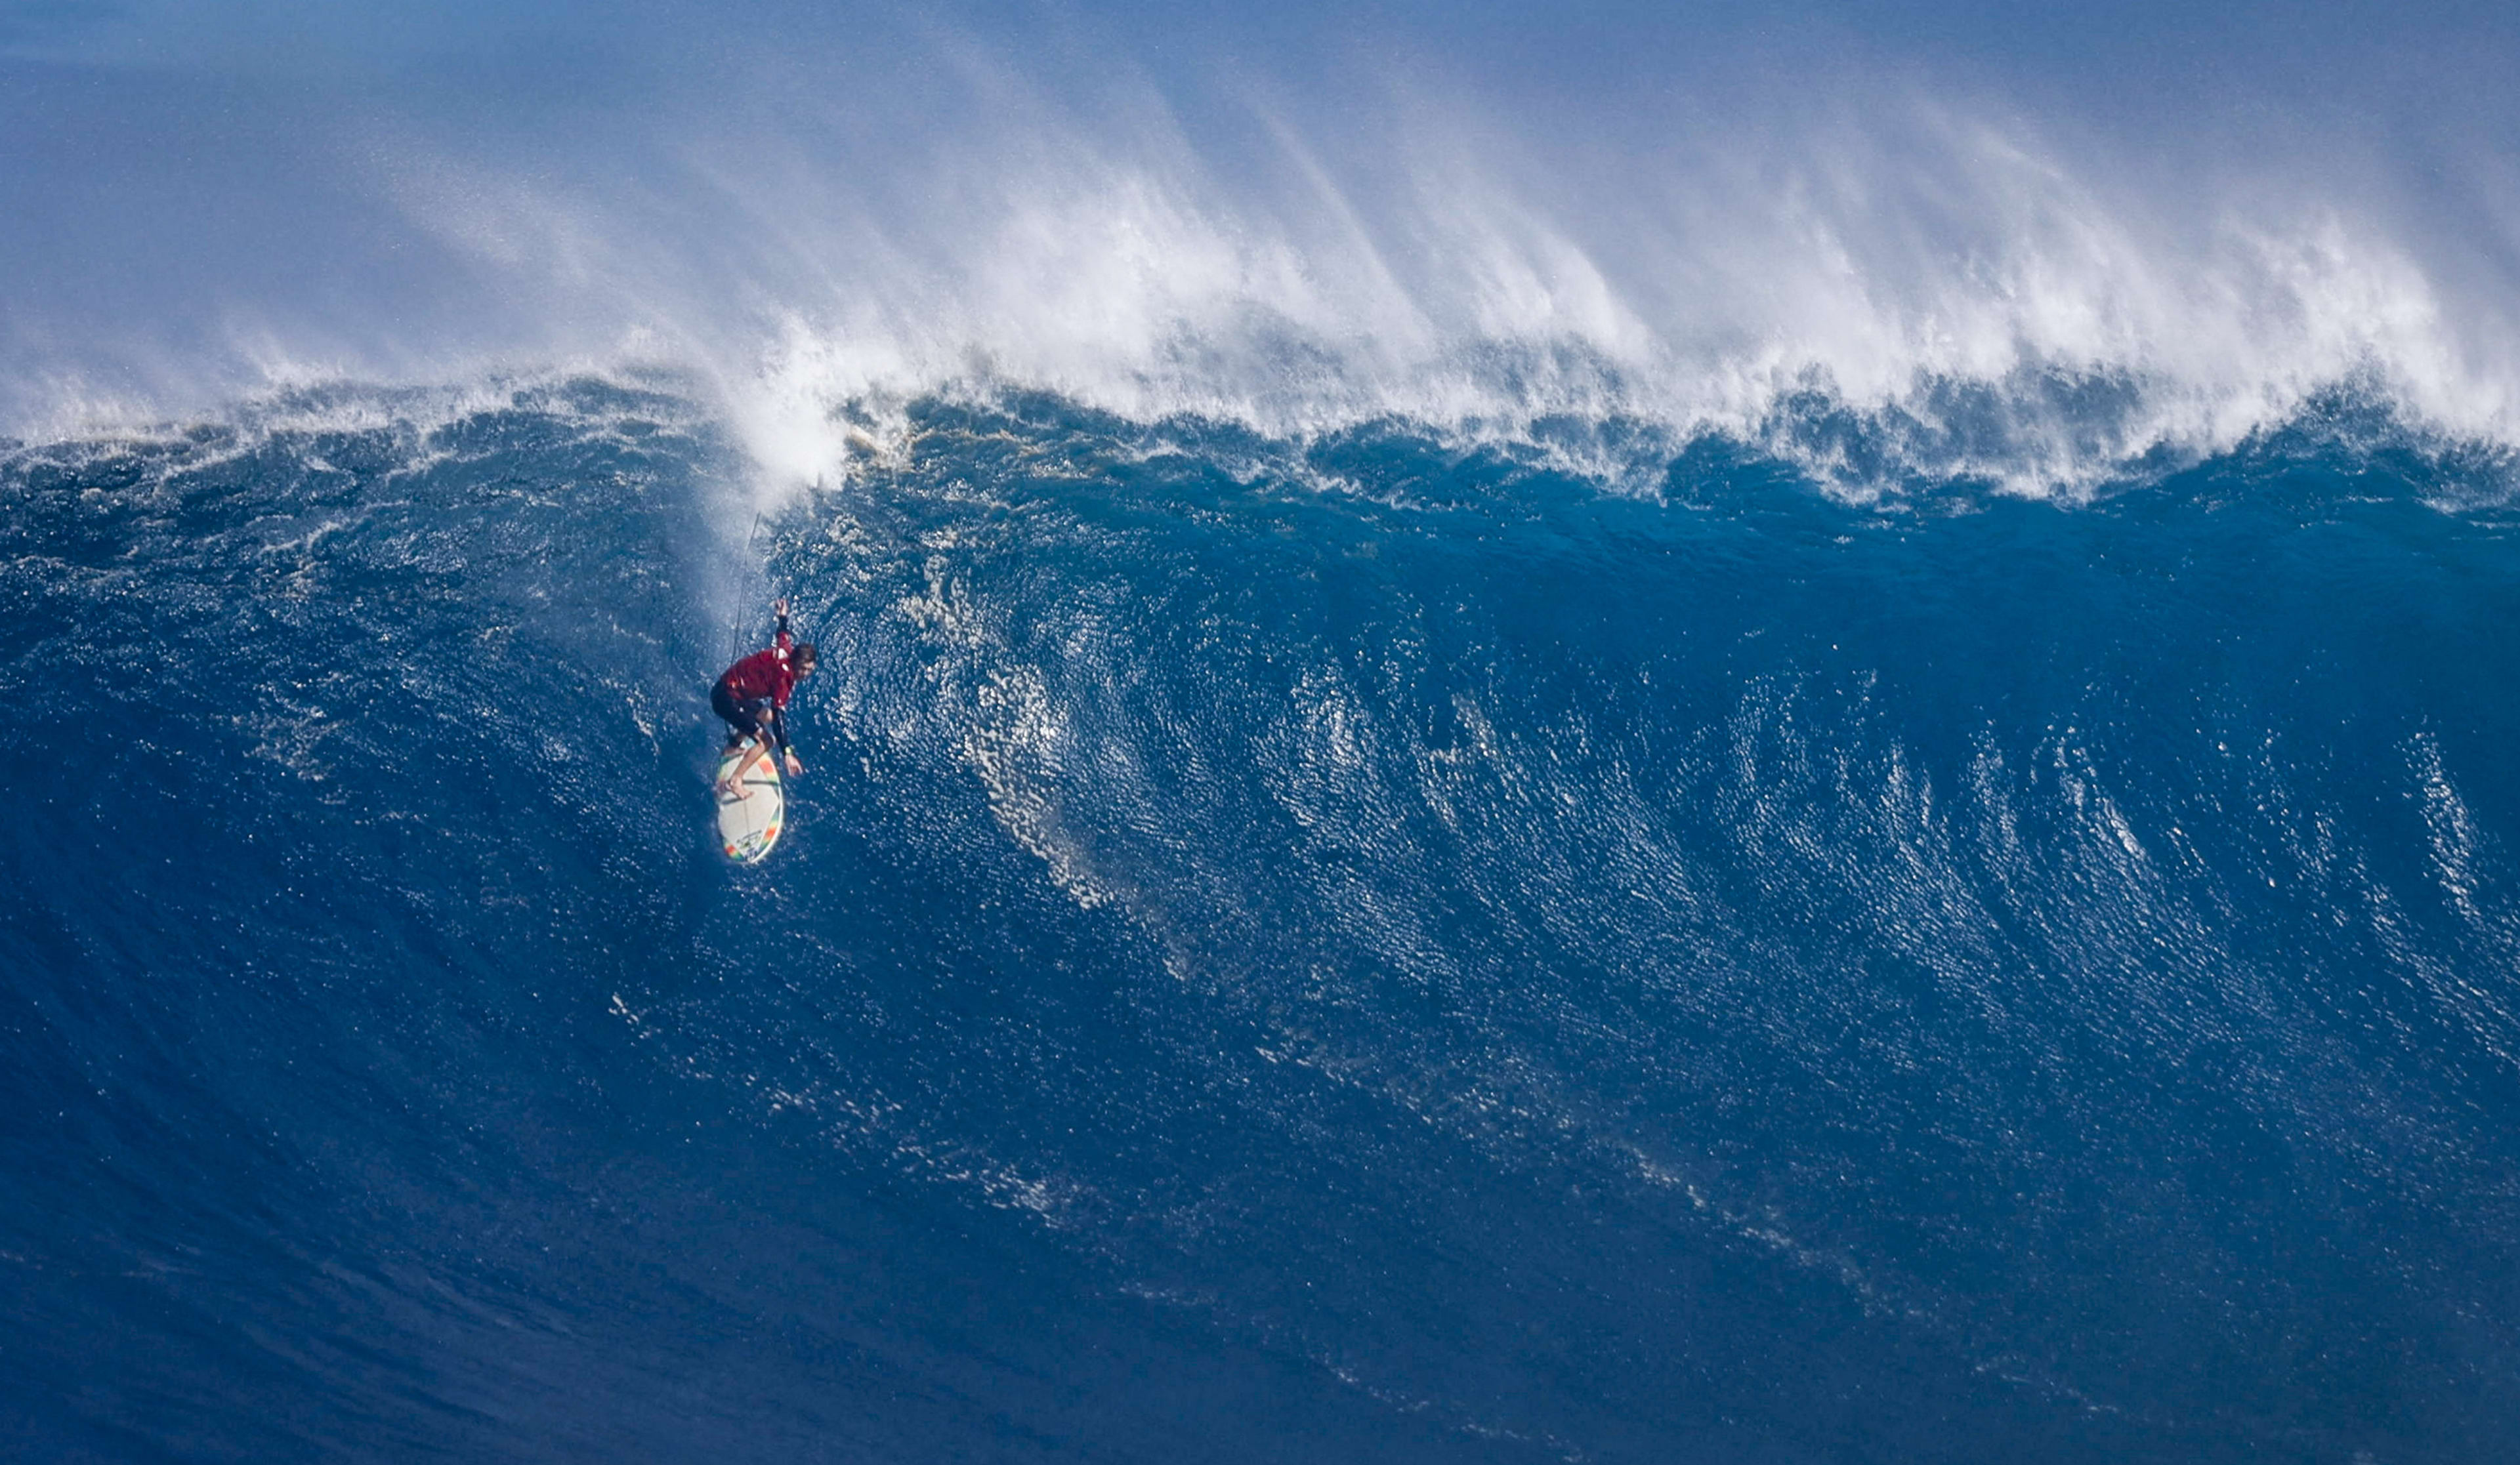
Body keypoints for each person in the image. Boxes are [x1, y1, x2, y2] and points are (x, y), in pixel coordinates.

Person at [712, 597, 816, 800]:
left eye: (809, 670)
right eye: (802, 669)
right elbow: (779, 717)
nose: (805, 674)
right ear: (795, 663)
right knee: (766, 741)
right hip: (726, 699)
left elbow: (782, 633)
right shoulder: (784, 680)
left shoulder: (787, 650)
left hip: (731, 689)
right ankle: (735, 781)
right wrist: (787, 752)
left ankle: (733, 745)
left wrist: (782, 616)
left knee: (765, 716)